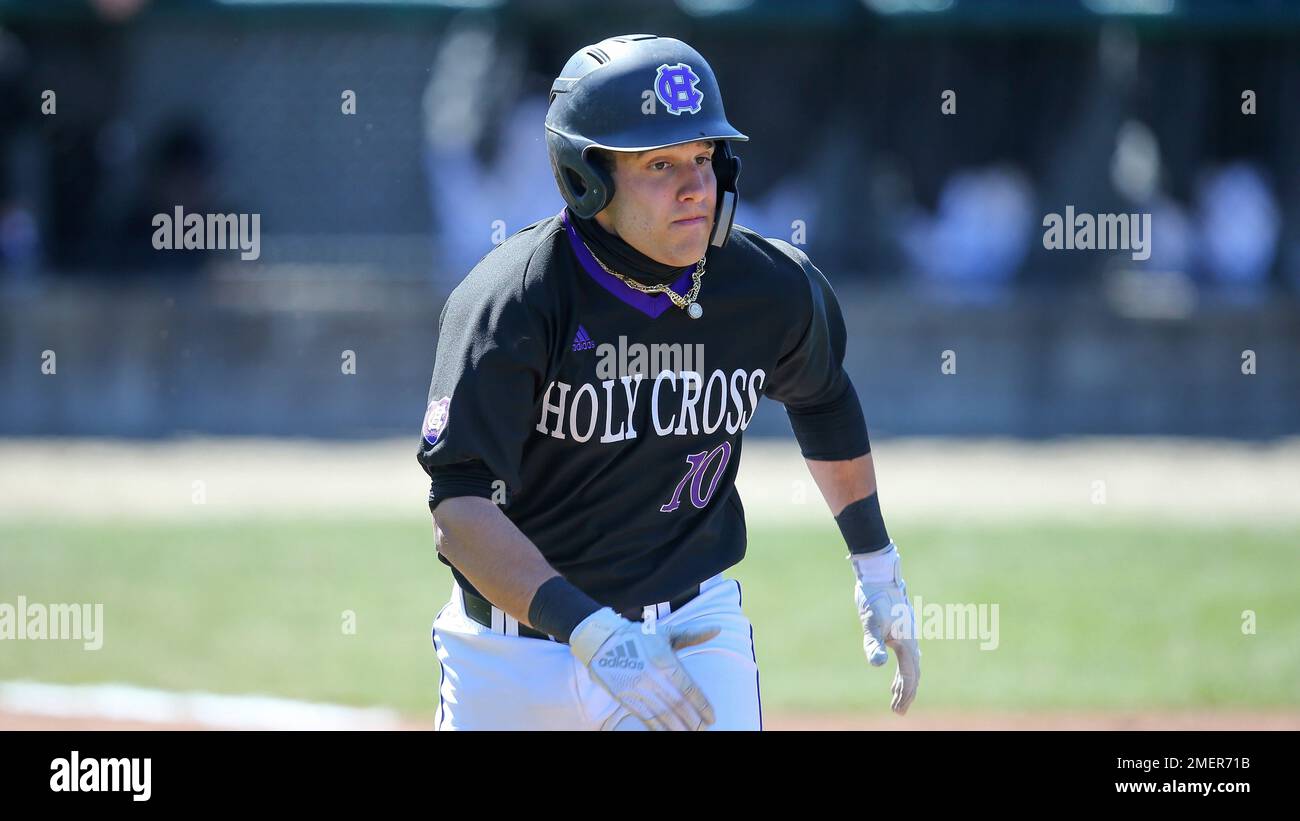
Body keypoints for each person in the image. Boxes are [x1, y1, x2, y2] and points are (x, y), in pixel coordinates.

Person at [417, 34, 919, 730]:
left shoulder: (769, 287)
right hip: (514, 655)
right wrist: (590, 628)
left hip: (689, 631)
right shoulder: (514, 301)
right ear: (587, 177)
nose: (695, 187)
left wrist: (876, 561)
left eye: (704, 157)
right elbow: (458, 512)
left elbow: (822, 395)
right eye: (660, 163)